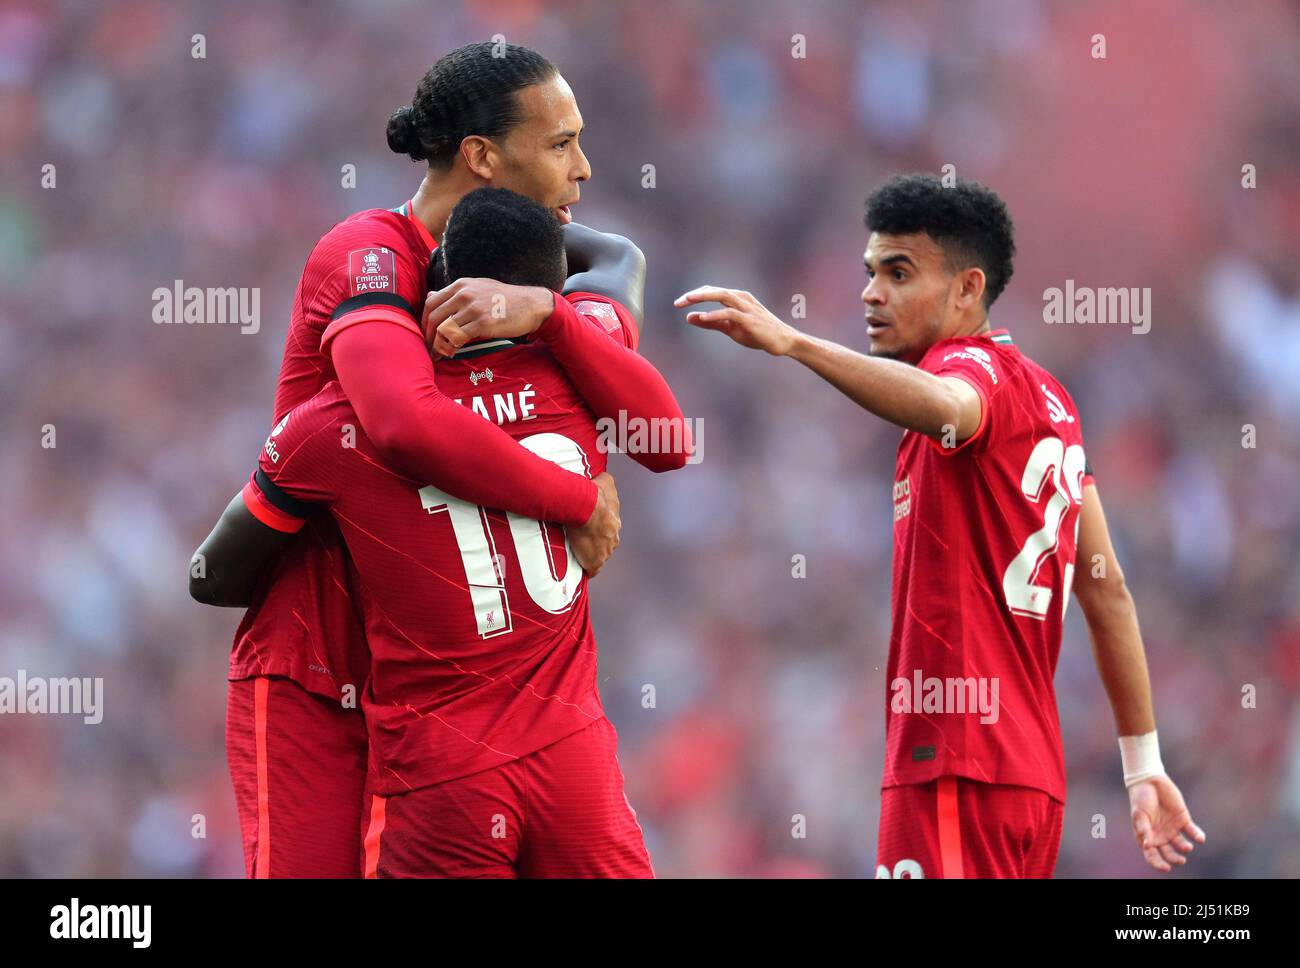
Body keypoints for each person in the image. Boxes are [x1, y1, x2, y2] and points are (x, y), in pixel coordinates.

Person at [192, 41, 650, 878]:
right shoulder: (368, 252)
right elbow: (402, 422)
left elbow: (619, 258)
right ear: (481, 156)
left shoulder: (515, 272)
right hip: (317, 663)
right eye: (559, 145)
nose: (582, 168)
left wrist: (542, 304)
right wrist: (575, 500)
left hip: (437, 681)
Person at [675, 173, 1204, 878]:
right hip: (1027, 778)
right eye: (869, 273)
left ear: (966, 289)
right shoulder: (1053, 403)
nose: (871, 293)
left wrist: (792, 344)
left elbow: (950, 406)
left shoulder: (969, 371)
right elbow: (1106, 592)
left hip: (957, 761)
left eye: (898, 273)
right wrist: (1142, 766)